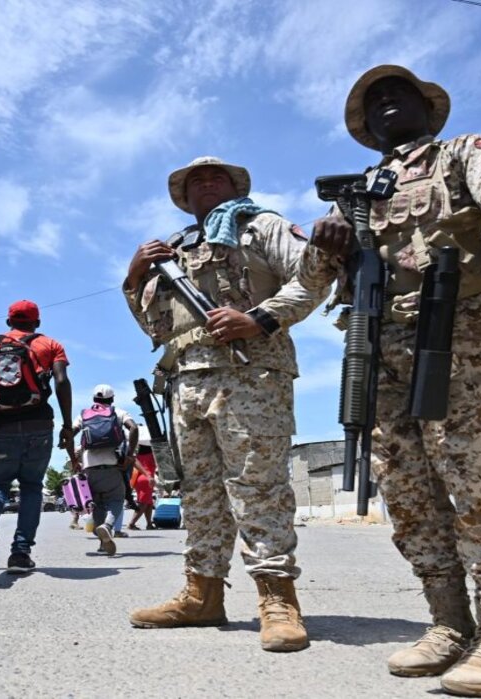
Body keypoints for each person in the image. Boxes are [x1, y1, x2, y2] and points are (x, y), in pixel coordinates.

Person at [298, 65, 481, 695]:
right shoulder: (358, 189)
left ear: (427, 105)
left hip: (453, 331)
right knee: (409, 491)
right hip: (375, 346)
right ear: (365, 128)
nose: (387, 104)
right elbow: (313, 281)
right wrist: (325, 241)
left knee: (474, 475)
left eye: (398, 93)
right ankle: (449, 624)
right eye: (375, 102)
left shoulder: (462, 153)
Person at [122, 156, 328, 652]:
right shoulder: (172, 251)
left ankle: (277, 600)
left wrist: (261, 318)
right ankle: (203, 593)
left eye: (218, 177)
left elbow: (316, 275)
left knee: (258, 486)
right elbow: (155, 325)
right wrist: (134, 275)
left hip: (252, 374)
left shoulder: (259, 226)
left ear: (235, 187)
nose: (207, 184)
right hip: (186, 380)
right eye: (197, 181)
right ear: (185, 197)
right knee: (200, 494)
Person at [0, 300, 74, 574]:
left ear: (8, 322)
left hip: (0, 425)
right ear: (37, 322)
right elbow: (61, 382)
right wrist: (68, 425)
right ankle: (20, 554)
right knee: (32, 487)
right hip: (39, 423)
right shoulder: (50, 345)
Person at [71, 384, 139, 555]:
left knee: (98, 503)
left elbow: (69, 433)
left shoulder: (83, 415)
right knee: (116, 499)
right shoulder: (119, 412)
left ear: (94, 399)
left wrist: (74, 460)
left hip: (89, 468)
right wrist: (129, 455)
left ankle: (102, 544)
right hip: (112, 465)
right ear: (112, 399)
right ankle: (107, 526)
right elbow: (134, 428)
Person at [127, 445, 157, 530]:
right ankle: (132, 523)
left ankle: (149, 524)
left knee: (149, 502)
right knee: (143, 503)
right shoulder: (153, 455)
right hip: (147, 478)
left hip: (138, 478)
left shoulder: (138, 456)